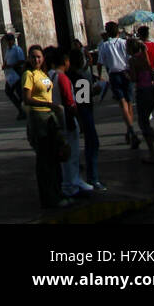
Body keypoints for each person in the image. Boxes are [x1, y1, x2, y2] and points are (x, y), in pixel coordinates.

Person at [22, 45, 64, 209]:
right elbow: (27, 99)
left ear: (43, 58)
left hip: (50, 118)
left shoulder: (43, 73)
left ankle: (57, 191)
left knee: (53, 157)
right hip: (39, 119)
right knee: (45, 159)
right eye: (33, 57)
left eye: (39, 56)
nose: (36, 59)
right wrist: (51, 105)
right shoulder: (29, 74)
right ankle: (49, 196)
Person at [48, 49, 93, 198]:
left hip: (55, 119)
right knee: (73, 153)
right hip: (68, 119)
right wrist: (79, 117)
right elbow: (72, 102)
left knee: (64, 153)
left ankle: (75, 181)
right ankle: (75, 183)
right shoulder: (70, 78)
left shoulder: (49, 76)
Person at [97, 21, 140, 148]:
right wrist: (133, 74)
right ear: (118, 32)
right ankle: (129, 131)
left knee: (123, 104)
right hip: (126, 74)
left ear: (107, 33)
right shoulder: (124, 43)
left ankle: (131, 130)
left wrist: (99, 76)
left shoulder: (104, 46)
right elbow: (130, 59)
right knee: (129, 103)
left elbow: (99, 63)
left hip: (114, 76)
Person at [69, 45, 105, 191]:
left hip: (79, 115)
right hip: (84, 115)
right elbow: (83, 99)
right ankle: (93, 178)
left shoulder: (73, 75)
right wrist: (94, 91)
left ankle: (84, 176)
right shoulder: (79, 77)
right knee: (92, 144)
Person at [127, 39, 154, 164]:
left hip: (142, 92)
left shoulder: (133, 60)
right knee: (145, 123)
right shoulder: (145, 57)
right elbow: (151, 72)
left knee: (143, 124)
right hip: (151, 91)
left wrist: (126, 76)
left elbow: (133, 78)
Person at [1, 33, 26, 120]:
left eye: (9, 41)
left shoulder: (17, 49)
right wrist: (4, 65)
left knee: (19, 93)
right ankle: (21, 109)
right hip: (10, 75)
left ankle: (23, 110)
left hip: (17, 73)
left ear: (12, 41)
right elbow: (6, 60)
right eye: (7, 41)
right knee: (9, 92)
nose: (8, 43)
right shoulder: (8, 50)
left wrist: (11, 65)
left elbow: (22, 60)